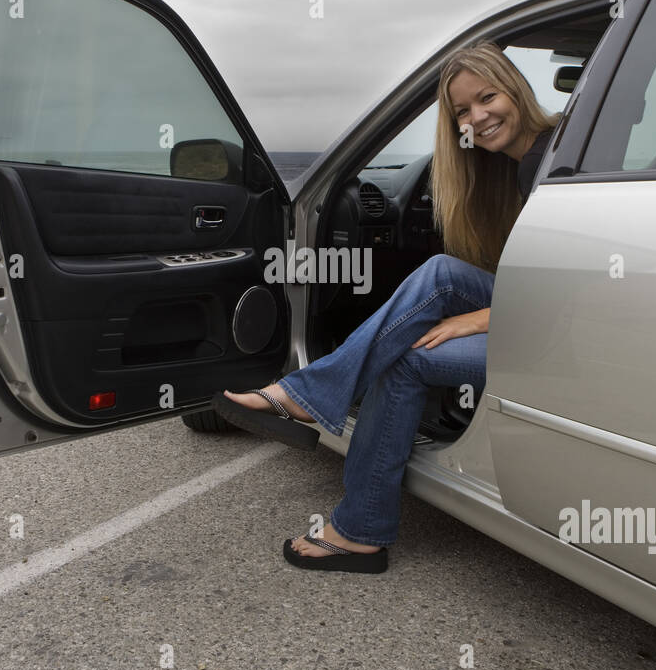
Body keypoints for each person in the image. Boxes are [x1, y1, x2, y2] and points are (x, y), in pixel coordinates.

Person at [215, 41, 561, 572]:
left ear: (516, 87)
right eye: (463, 111)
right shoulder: (526, 163)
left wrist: (485, 317)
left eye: (487, 97)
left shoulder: (549, 158)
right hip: (544, 318)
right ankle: (359, 528)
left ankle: (315, 408)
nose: (478, 117)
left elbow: (567, 287)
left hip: (563, 334)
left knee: (436, 286)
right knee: (410, 347)